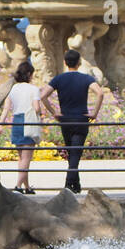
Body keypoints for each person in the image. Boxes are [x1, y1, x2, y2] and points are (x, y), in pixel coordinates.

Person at [39, 48, 103, 193]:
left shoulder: (59, 79)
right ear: (79, 62)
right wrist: (94, 113)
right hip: (81, 119)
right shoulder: (86, 78)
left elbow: (43, 95)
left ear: (65, 62)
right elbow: (100, 93)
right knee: (75, 152)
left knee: (71, 152)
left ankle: (76, 184)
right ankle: (69, 184)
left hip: (65, 119)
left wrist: (54, 112)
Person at [2, 61, 42, 193]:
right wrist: (41, 113)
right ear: (29, 74)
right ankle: (18, 186)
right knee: (26, 158)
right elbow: (36, 107)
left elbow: (6, 107)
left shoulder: (13, 88)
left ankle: (27, 187)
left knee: (21, 158)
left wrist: (1, 123)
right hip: (28, 122)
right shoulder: (33, 89)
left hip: (16, 121)